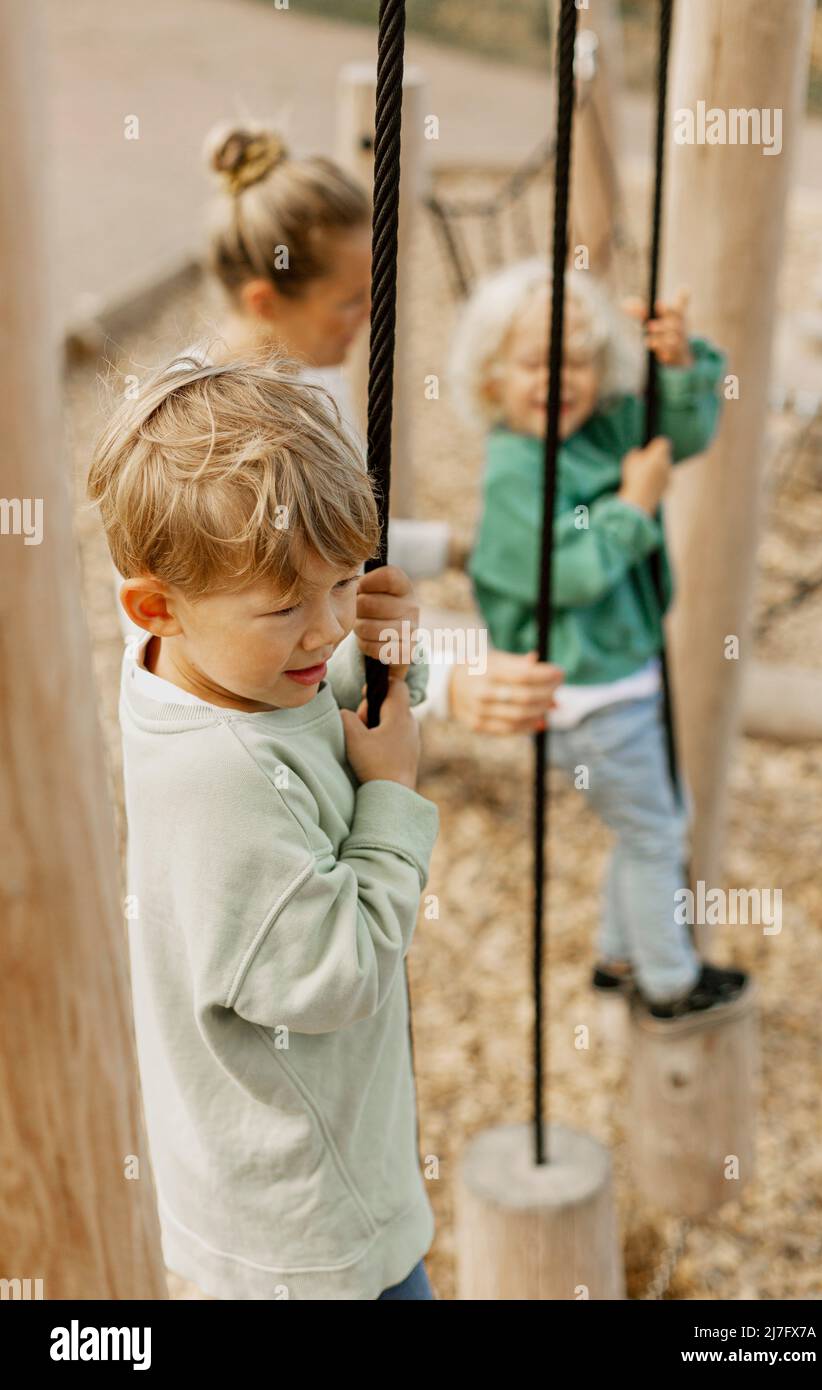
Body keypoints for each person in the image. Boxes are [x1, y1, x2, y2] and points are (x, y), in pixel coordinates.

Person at [88, 353, 440, 1298]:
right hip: (307, 1227)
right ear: (154, 605)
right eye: (288, 605)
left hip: (286, 1179)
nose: (326, 628)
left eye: (341, 585)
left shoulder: (200, 655)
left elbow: (320, 690)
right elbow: (344, 970)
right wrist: (393, 798)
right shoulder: (220, 784)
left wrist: (389, 661)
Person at [110, 120, 563, 740]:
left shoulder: (310, 376)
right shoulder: (212, 447)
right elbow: (294, 607)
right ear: (266, 301)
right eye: (349, 300)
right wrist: (449, 684)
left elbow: (329, 543)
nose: (369, 319)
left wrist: (454, 549)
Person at [452, 257, 749, 1021]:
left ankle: (622, 954)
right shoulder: (513, 474)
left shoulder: (598, 427)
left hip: (622, 678)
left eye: (578, 358)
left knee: (648, 825)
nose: (559, 378)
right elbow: (569, 575)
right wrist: (632, 505)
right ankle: (668, 983)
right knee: (656, 834)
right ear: (491, 380)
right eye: (534, 363)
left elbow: (679, 432)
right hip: (585, 697)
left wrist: (682, 363)